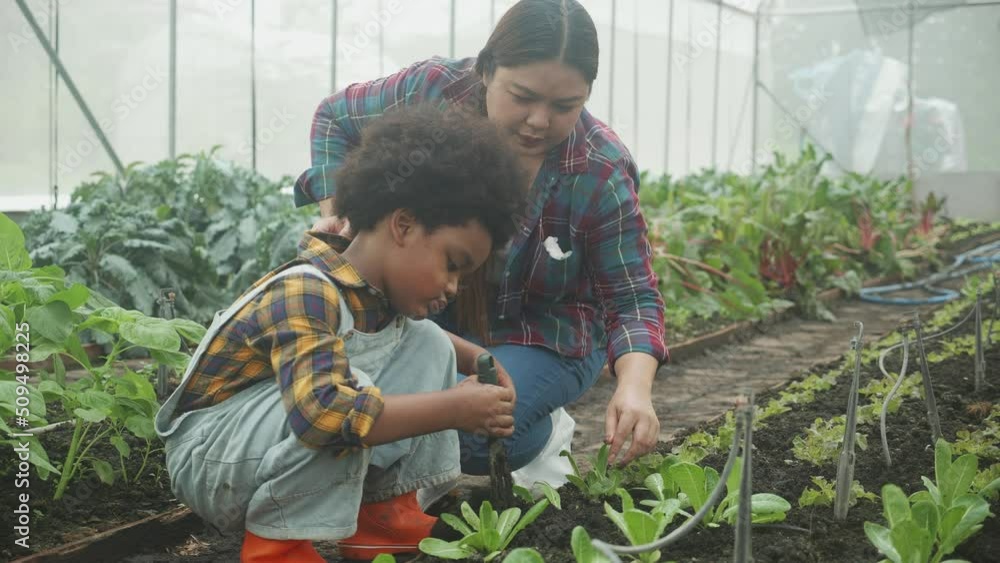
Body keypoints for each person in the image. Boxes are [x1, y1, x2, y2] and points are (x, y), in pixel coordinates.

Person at [296, 0, 668, 484]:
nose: (538, 121)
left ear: (587, 95)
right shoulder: (433, 90)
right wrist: (342, 215)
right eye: (523, 95)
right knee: (365, 396)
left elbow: (632, 296)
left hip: (541, 333)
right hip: (431, 311)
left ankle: (542, 430)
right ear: (487, 69)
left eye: (564, 106)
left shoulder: (599, 168)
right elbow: (334, 118)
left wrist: (635, 389)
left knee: (472, 431)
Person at [155, 106, 526, 562]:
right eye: (452, 264)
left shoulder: (369, 290)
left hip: (264, 439)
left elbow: (397, 339)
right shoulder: (305, 289)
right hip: (210, 457)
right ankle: (278, 547)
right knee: (346, 400)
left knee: (428, 342)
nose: (453, 287)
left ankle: (383, 521)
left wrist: (474, 359)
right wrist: (455, 408)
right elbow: (324, 413)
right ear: (403, 225)